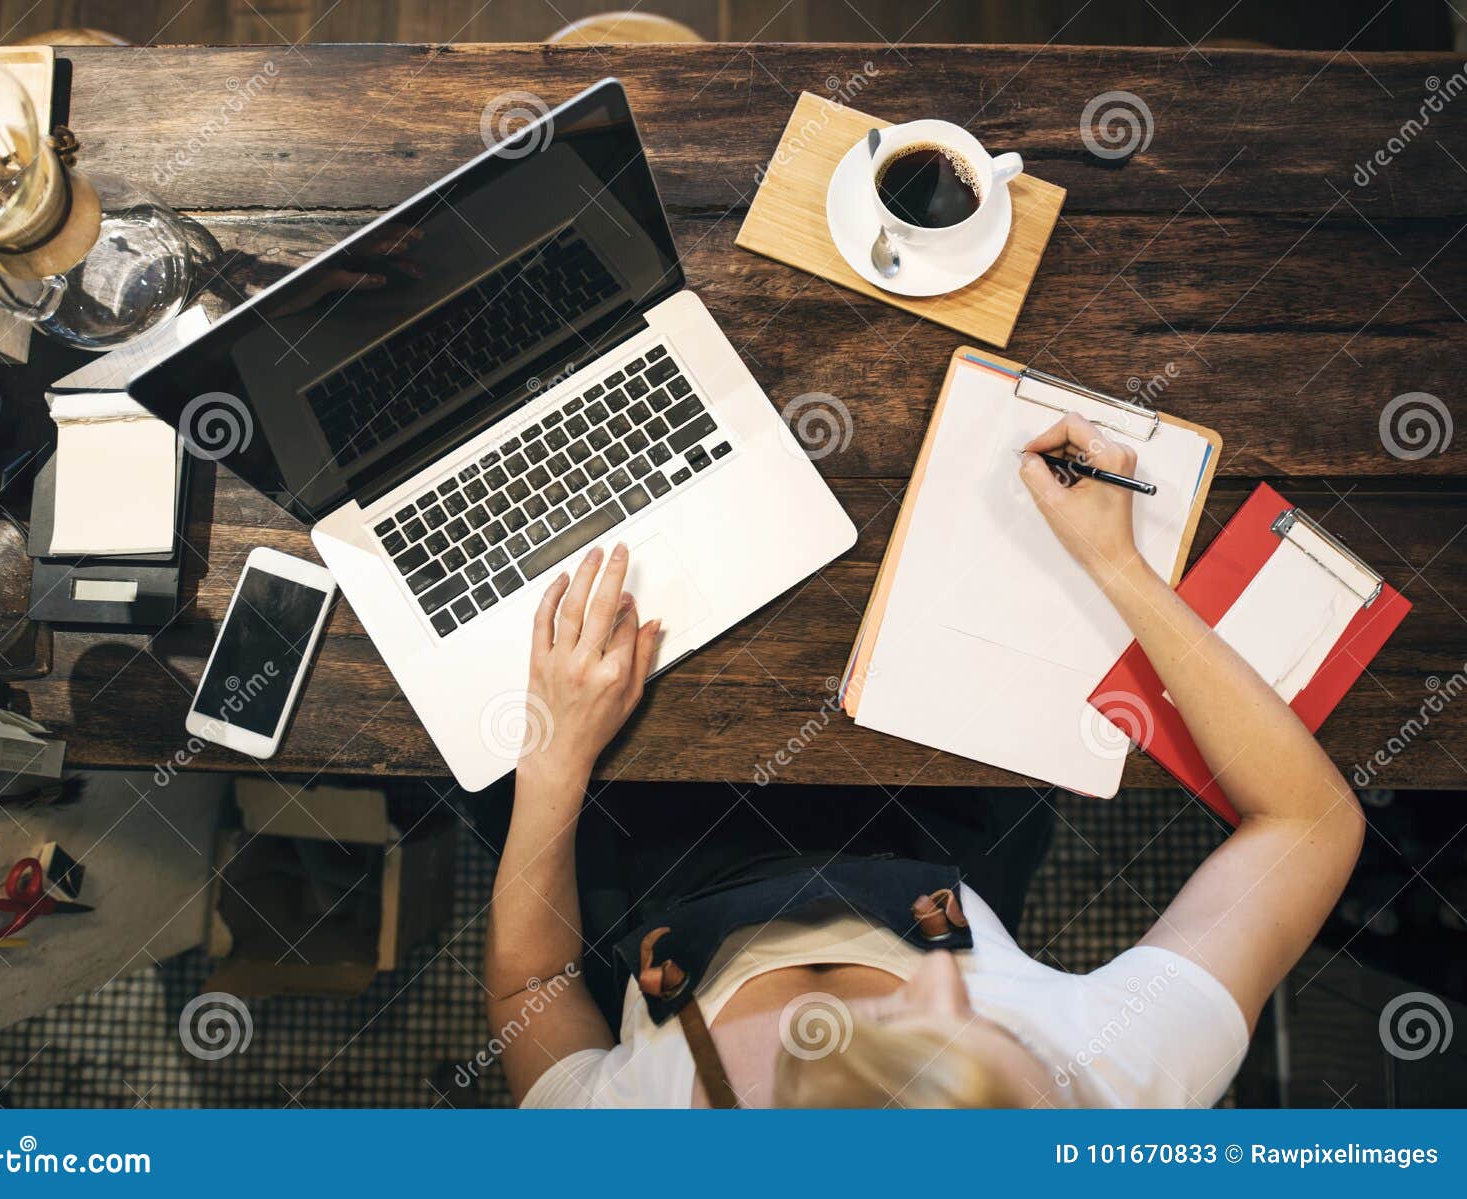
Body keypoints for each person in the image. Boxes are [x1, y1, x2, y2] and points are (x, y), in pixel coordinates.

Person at [482, 413, 1365, 1108]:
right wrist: (1117, 562)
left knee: (478, 758)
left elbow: (531, 986)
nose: (945, 976)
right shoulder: (1109, 1091)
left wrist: (554, 756)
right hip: (936, 823)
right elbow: (1307, 825)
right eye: (994, 1037)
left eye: (900, 1029)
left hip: (658, 856)